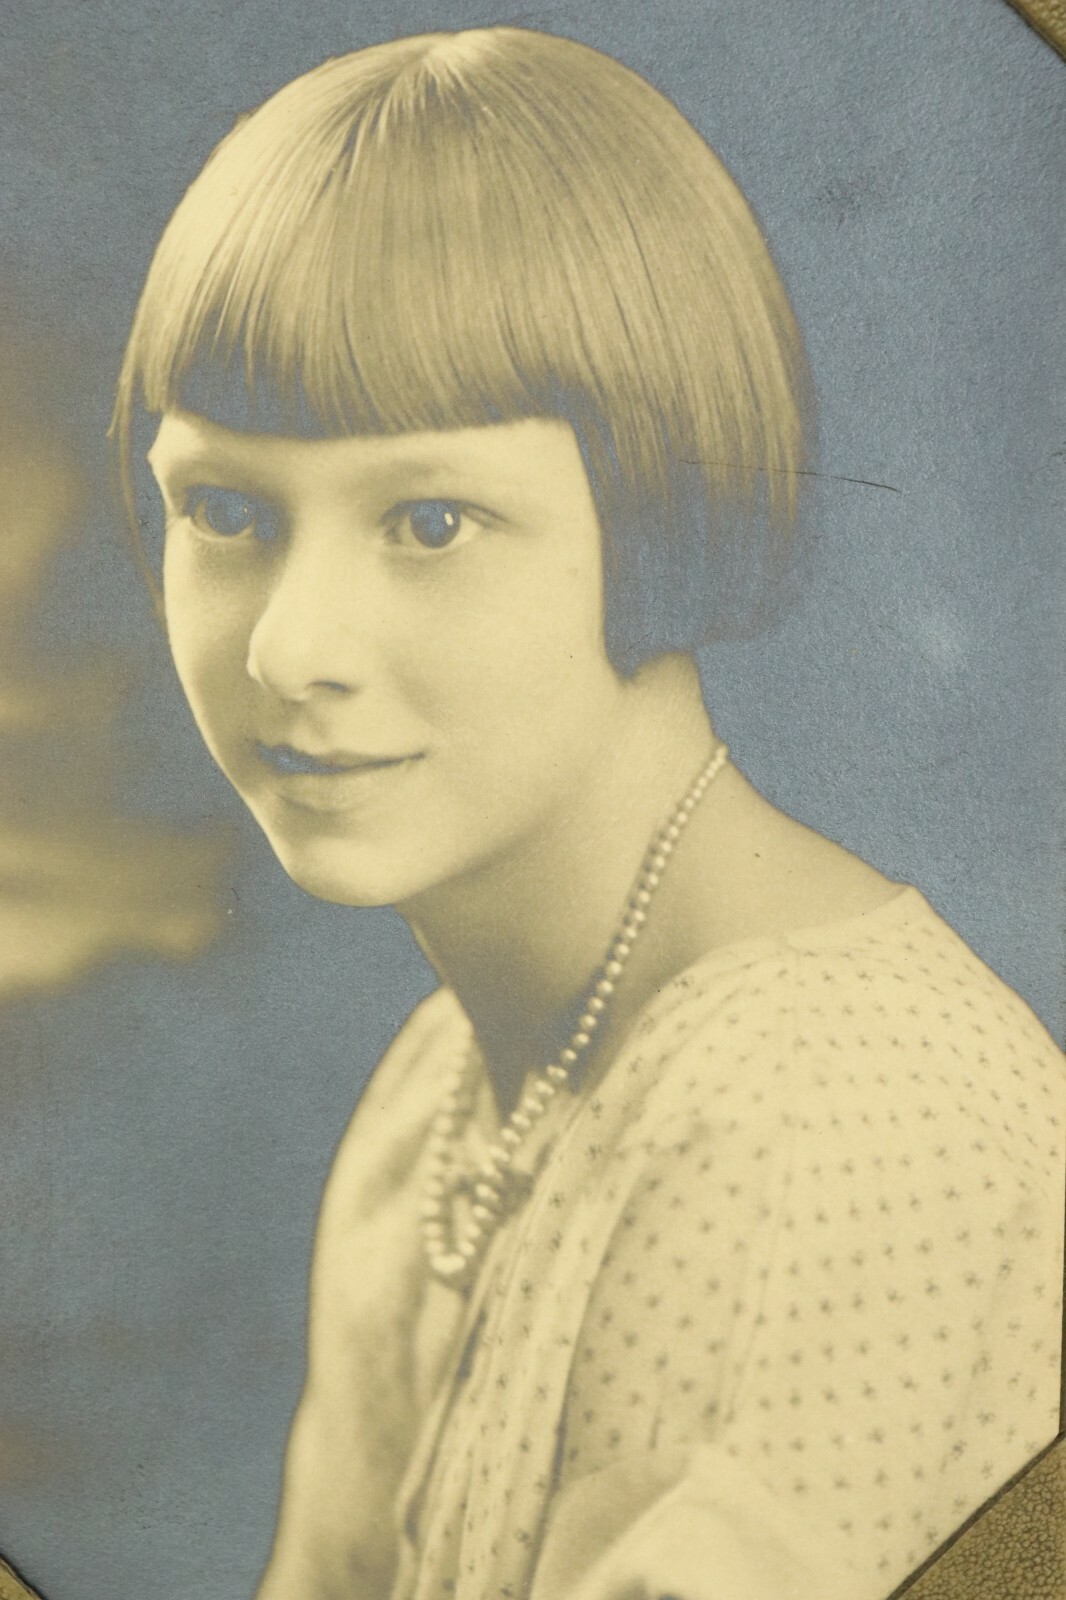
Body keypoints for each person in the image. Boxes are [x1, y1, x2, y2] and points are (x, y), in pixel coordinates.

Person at [111, 27, 1064, 1600]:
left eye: (429, 521)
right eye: (223, 510)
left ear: (661, 509)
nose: (289, 647)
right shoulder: (444, 1096)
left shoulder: (820, 1127)